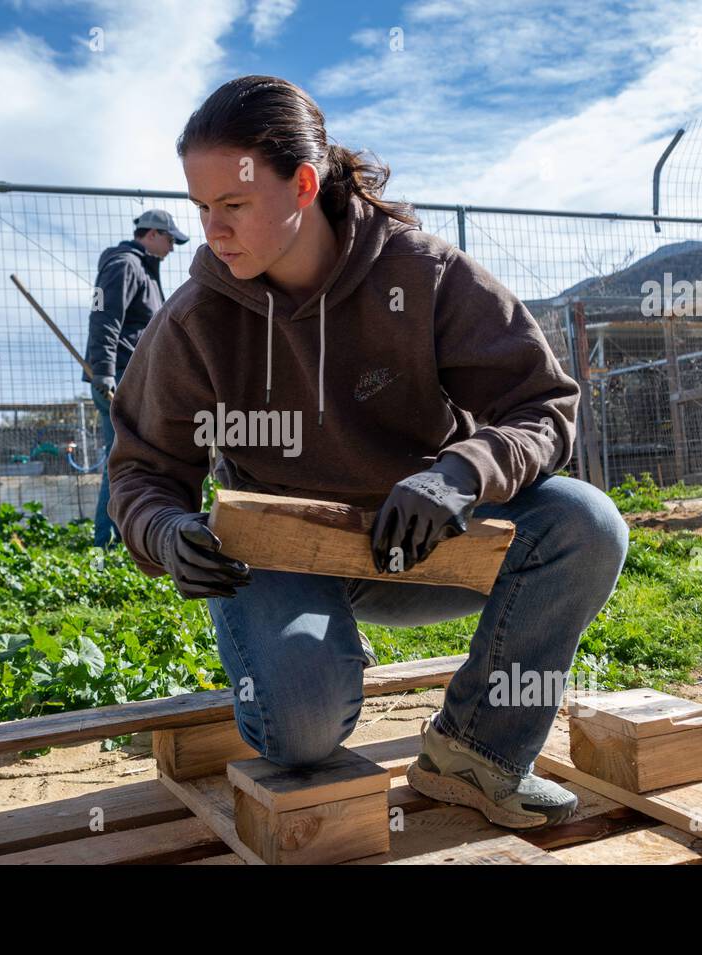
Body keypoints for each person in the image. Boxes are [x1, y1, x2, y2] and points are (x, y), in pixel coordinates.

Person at [105, 75, 630, 830]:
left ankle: (474, 753)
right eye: (201, 209)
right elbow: (142, 471)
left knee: (587, 523)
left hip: (418, 542)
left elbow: (543, 407)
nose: (212, 231)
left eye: (234, 206)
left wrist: (459, 474)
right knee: (304, 731)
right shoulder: (195, 319)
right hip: (276, 557)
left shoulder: (425, 275)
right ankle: (298, 657)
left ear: (304, 184)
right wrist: (163, 532)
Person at [83, 209, 188, 547]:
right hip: (117, 377)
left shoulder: (146, 271)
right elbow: (103, 316)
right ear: (152, 234)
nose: (172, 247)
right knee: (121, 459)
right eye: (170, 239)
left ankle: (123, 536)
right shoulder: (124, 265)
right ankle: (106, 543)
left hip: (134, 377)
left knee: (133, 458)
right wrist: (102, 371)